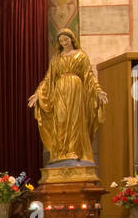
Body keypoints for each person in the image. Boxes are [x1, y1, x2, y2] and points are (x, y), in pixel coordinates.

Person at [27, 29, 108, 162]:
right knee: (60, 120)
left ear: (72, 39)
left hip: (76, 90)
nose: (64, 42)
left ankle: (74, 151)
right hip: (60, 91)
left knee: (75, 121)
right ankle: (61, 153)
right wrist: (37, 94)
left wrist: (98, 91)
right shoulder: (56, 58)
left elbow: (89, 76)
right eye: (61, 40)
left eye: (66, 39)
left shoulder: (81, 55)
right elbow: (48, 79)